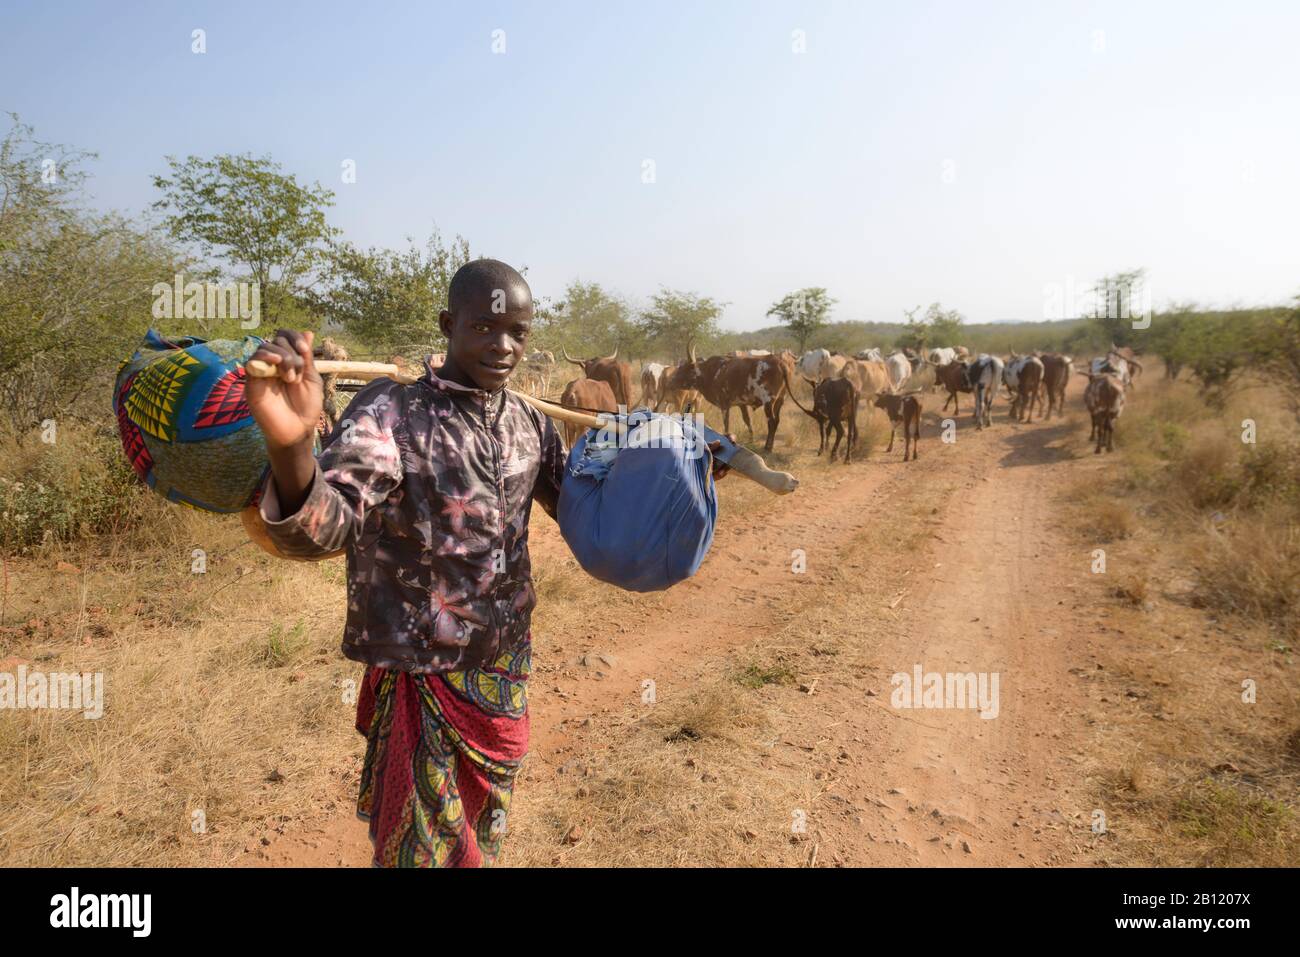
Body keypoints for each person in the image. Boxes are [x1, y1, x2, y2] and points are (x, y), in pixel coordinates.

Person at [246, 258, 726, 866]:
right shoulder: (391, 414)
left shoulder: (529, 422)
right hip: (425, 675)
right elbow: (326, 527)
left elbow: (590, 506)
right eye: (483, 328)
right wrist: (290, 448)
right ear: (449, 324)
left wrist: (676, 468)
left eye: (517, 333)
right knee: (430, 852)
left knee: (482, 831)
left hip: (504, 669)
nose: (503, 346)